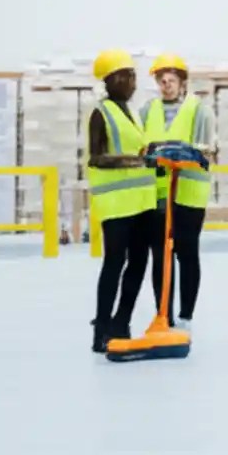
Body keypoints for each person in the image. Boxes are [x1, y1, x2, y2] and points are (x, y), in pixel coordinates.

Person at [87, 49, 158, 353]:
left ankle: (122, 321)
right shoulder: (100, 114)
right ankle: (102, 328)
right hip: (116, 203)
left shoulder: (132, 113)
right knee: (115, 263)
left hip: (141, 201)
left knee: (139, 262)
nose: (133, 83)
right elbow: (97, 157)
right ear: (112, 79)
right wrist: (134, 161)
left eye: (133, 76)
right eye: (128, 77)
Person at [139, 53, 214, 332]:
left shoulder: (199, 110)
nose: (166, 84)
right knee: (160, 255)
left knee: (187, 253)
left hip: (189, 193)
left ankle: (185, 316)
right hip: (158, 193)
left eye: (171, 79)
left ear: (182, 81)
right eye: (161, 79)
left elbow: (208, 149)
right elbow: (141, 148)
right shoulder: (148, 111)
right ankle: (163, 314)